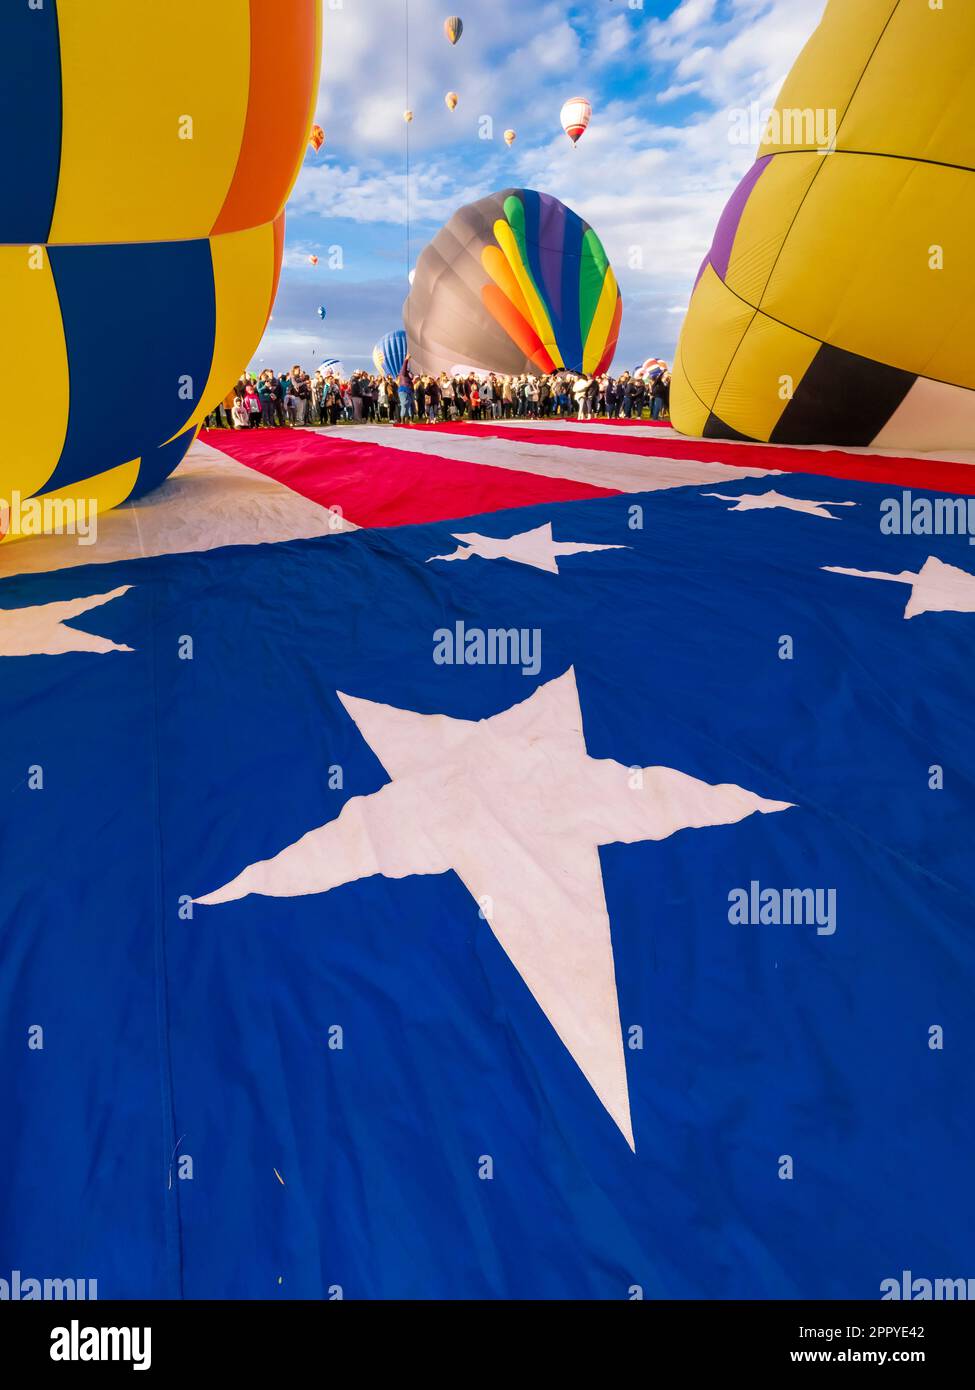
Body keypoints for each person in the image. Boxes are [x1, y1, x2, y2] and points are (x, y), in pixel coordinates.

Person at [397, 355, 415, 422]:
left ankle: (407, 420)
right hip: (403, 391)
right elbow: (404, 368)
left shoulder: (409, 378)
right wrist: (406, 360)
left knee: (409, 406)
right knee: (404, 404)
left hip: (409, 391)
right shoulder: (403, 373)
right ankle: (402, 420)